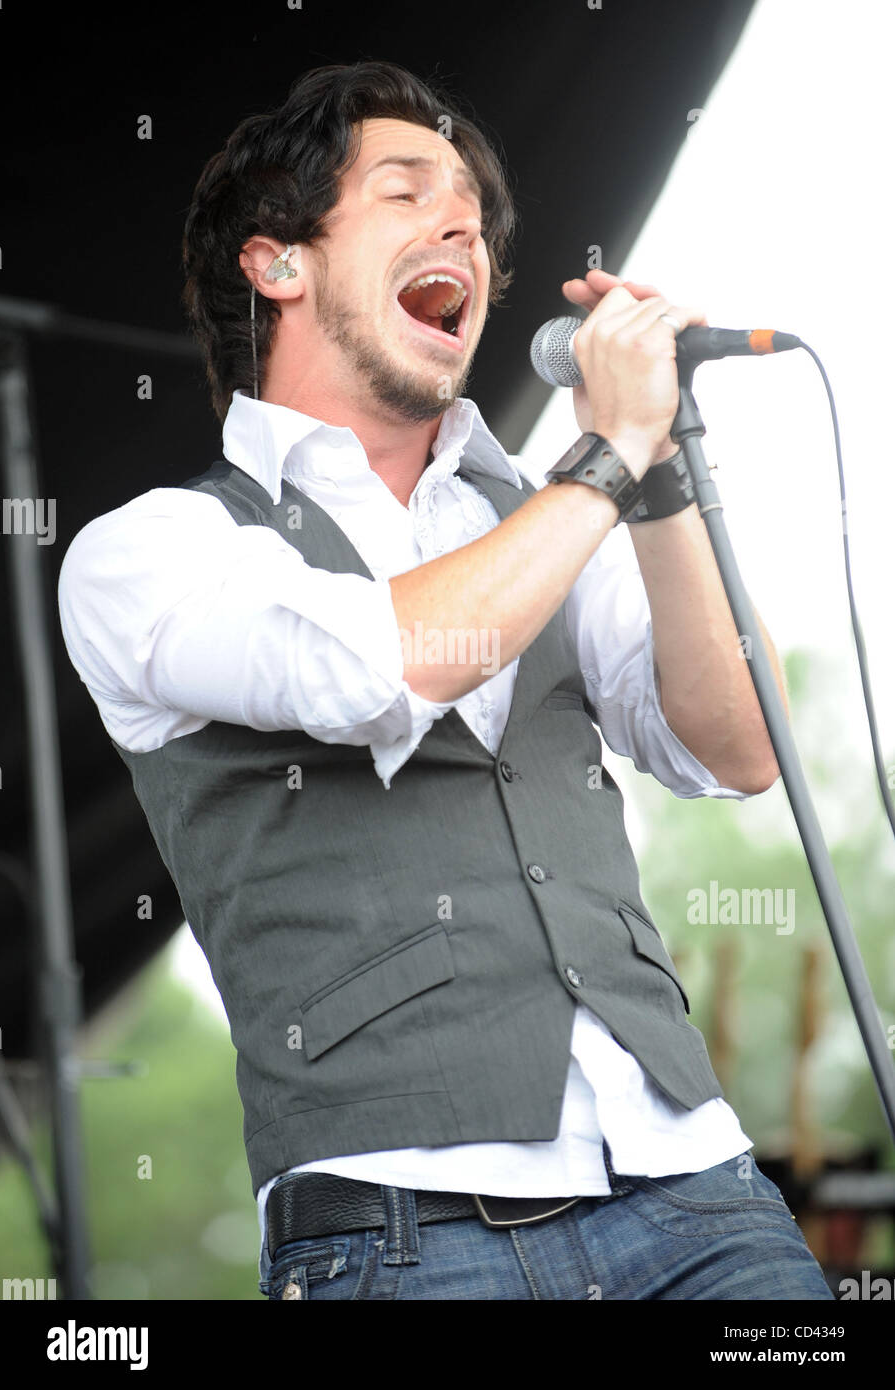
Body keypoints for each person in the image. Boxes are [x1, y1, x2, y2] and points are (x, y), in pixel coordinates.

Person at [57, 60, 833, 1301]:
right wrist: (606, 456)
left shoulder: (544, 513)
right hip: (397, 1223)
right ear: (278, 263)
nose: (460, 224)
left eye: (471, 208)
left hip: (697, 1187)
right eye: (407, 192)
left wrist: (657, 479)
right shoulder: (151, 549)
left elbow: (741, 749)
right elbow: (382, 667)